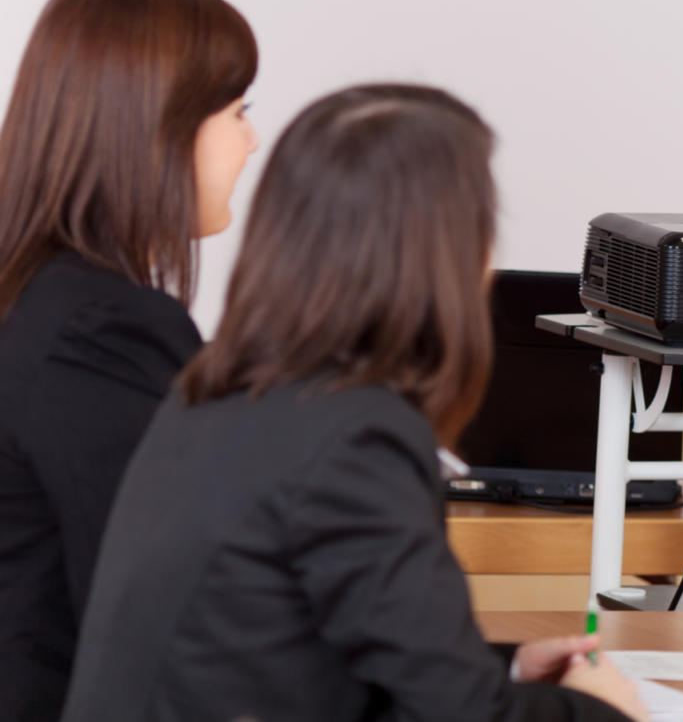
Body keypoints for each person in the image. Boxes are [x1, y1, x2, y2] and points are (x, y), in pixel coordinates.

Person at [62, 85, 645, 722]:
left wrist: (506, 668)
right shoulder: (356, 437)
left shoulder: (222, 391)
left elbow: (331, 649)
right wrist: (594, 710)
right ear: (441, 254)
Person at [0, 0, 260, 721]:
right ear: (161, 124)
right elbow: (175, 623)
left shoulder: (38, 301)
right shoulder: (103, 330)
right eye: (238, 111)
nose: (250, 142)